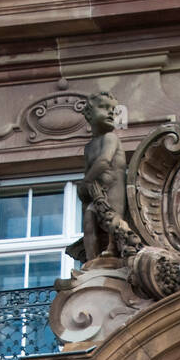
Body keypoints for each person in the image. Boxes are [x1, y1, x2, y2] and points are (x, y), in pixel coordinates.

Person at [74, 92, 127, 262]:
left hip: (113, 187)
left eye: (113, 109)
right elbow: (89, 168)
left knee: (112, 218)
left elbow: (104, 161)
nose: (111, 112)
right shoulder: (88, 147)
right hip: (96, 190)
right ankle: (91, 259)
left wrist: (86, 181)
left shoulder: (111, 138)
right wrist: (86, 189)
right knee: (89, 221)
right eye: (104, 107)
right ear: (89, 114)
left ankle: (112, 247)